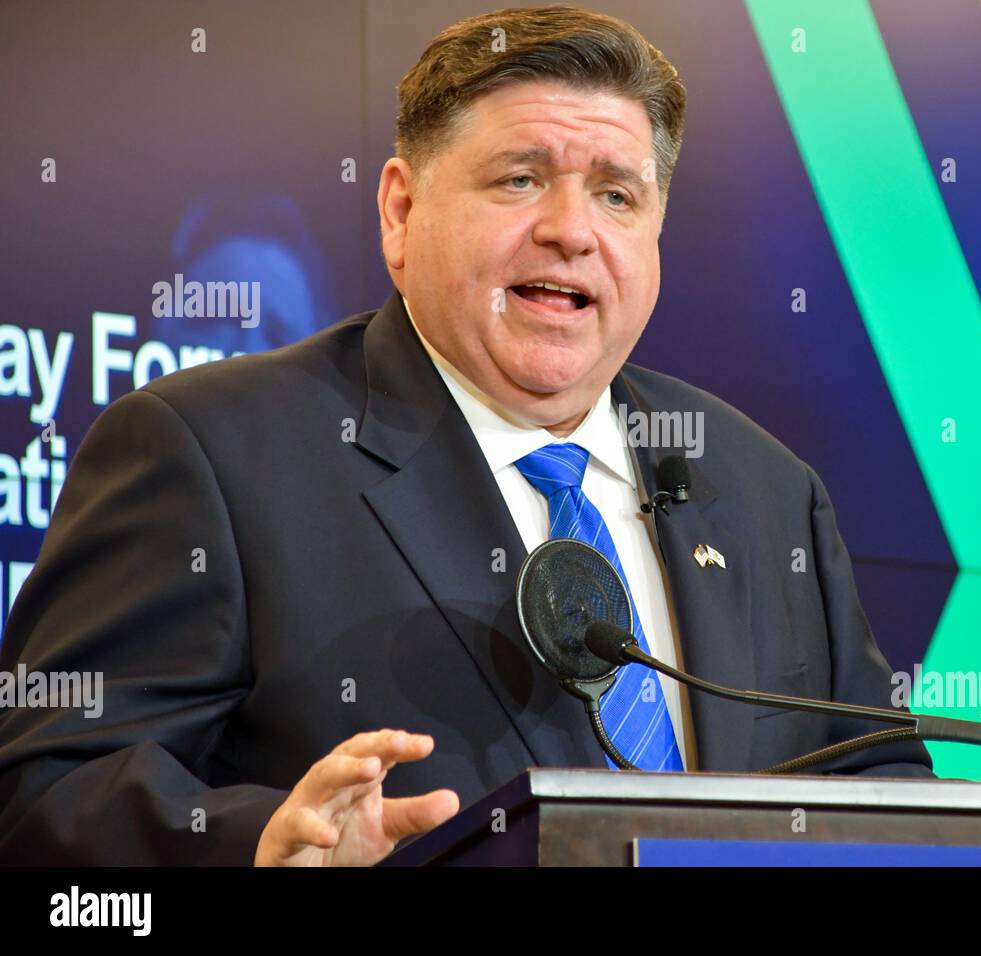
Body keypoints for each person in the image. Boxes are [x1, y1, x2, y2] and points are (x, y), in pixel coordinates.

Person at [0, 5, 932, 867]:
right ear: (401, 212)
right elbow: (42, 794)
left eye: (617, 196)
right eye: (520, 179)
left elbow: (878, 789)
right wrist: (257, 844)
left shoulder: (768, 491)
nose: (572, 231)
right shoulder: (209, 455)